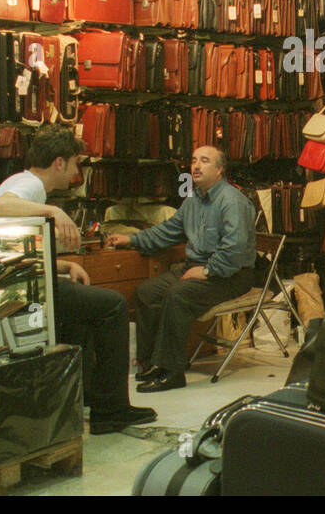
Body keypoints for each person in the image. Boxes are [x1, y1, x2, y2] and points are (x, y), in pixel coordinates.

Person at [0, 126, 156, 432]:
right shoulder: (31, 185)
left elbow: (12, 247)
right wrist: (53, 211)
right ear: (59, 162)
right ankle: (111, 409)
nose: (76, 172)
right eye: (75, 163)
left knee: (85, 308)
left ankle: (86, 396)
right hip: (15, 291)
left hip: (14, 282)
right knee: (113, 306)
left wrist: (62, 266)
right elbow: (2, 206)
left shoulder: (23, 181)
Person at [107, 145, 256, 393]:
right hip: (197, 267)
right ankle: (151, 363)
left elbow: (235, 249)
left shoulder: (232, 201)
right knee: (146, 292)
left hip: (231, 274)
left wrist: (208, 271)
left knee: (178, 295)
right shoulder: (193, 198)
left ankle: (172, 372)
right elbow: (169, 231)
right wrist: (131, 239)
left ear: (220, 169)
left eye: (205, 161)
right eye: (194, 160)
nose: (196, 166)